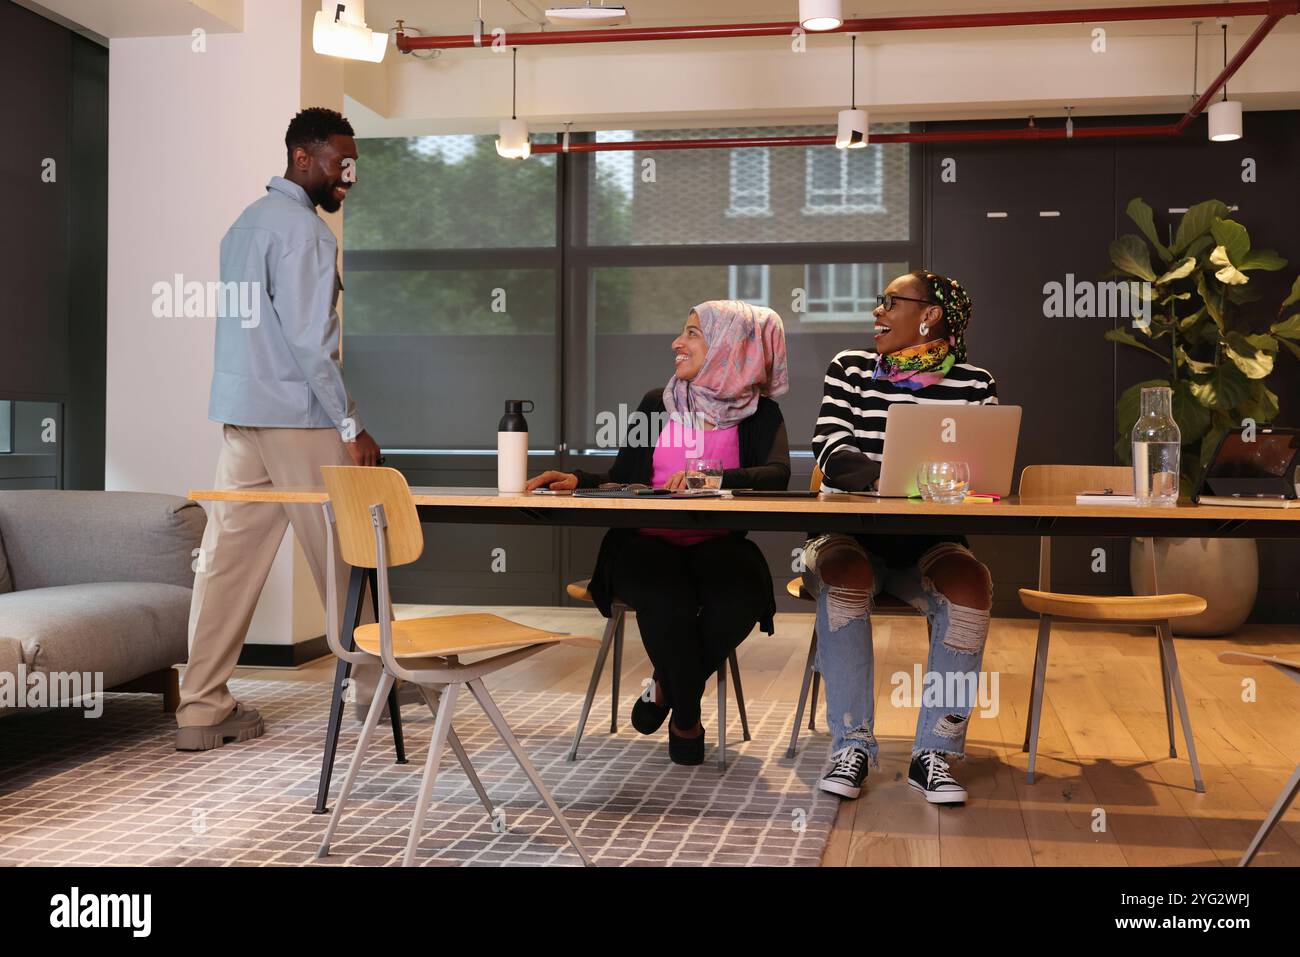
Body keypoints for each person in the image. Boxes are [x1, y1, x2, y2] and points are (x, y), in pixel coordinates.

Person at [176, 107, 382, 751]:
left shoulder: (243, 226)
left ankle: (201, 708)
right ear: (302, 157)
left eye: (353, 165)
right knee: (348, 555)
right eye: (337, 163)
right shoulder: (309, 235)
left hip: (242, 418)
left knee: (224, 566)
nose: (347, 176)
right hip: (299, 417)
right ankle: (377, 691)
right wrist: (351, 425)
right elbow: (311, 345)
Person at [527, 300, 791, 765]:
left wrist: (710, 479)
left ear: (729, 347)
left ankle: (667, 685)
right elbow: (623, 475)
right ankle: (687, 719)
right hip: (643, 541)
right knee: (666, 596)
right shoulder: (659, 403)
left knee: (742, 594)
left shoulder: (761, 414)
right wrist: (579, 480)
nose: (677, 342)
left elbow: (775, 475)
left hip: (718, 543)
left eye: (692, 333)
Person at [803, 269, 997, 802]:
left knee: (970, 585)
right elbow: (831, 450)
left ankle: (934, 752)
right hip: (849, 534)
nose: (877, 311)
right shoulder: (850, 368)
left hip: (930, 542)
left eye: (890, 301)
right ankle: (852, 745)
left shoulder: (975, 383)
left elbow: (979, 474)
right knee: (845, 575)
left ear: (929, 314)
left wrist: (934, 481)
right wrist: (908, 478)